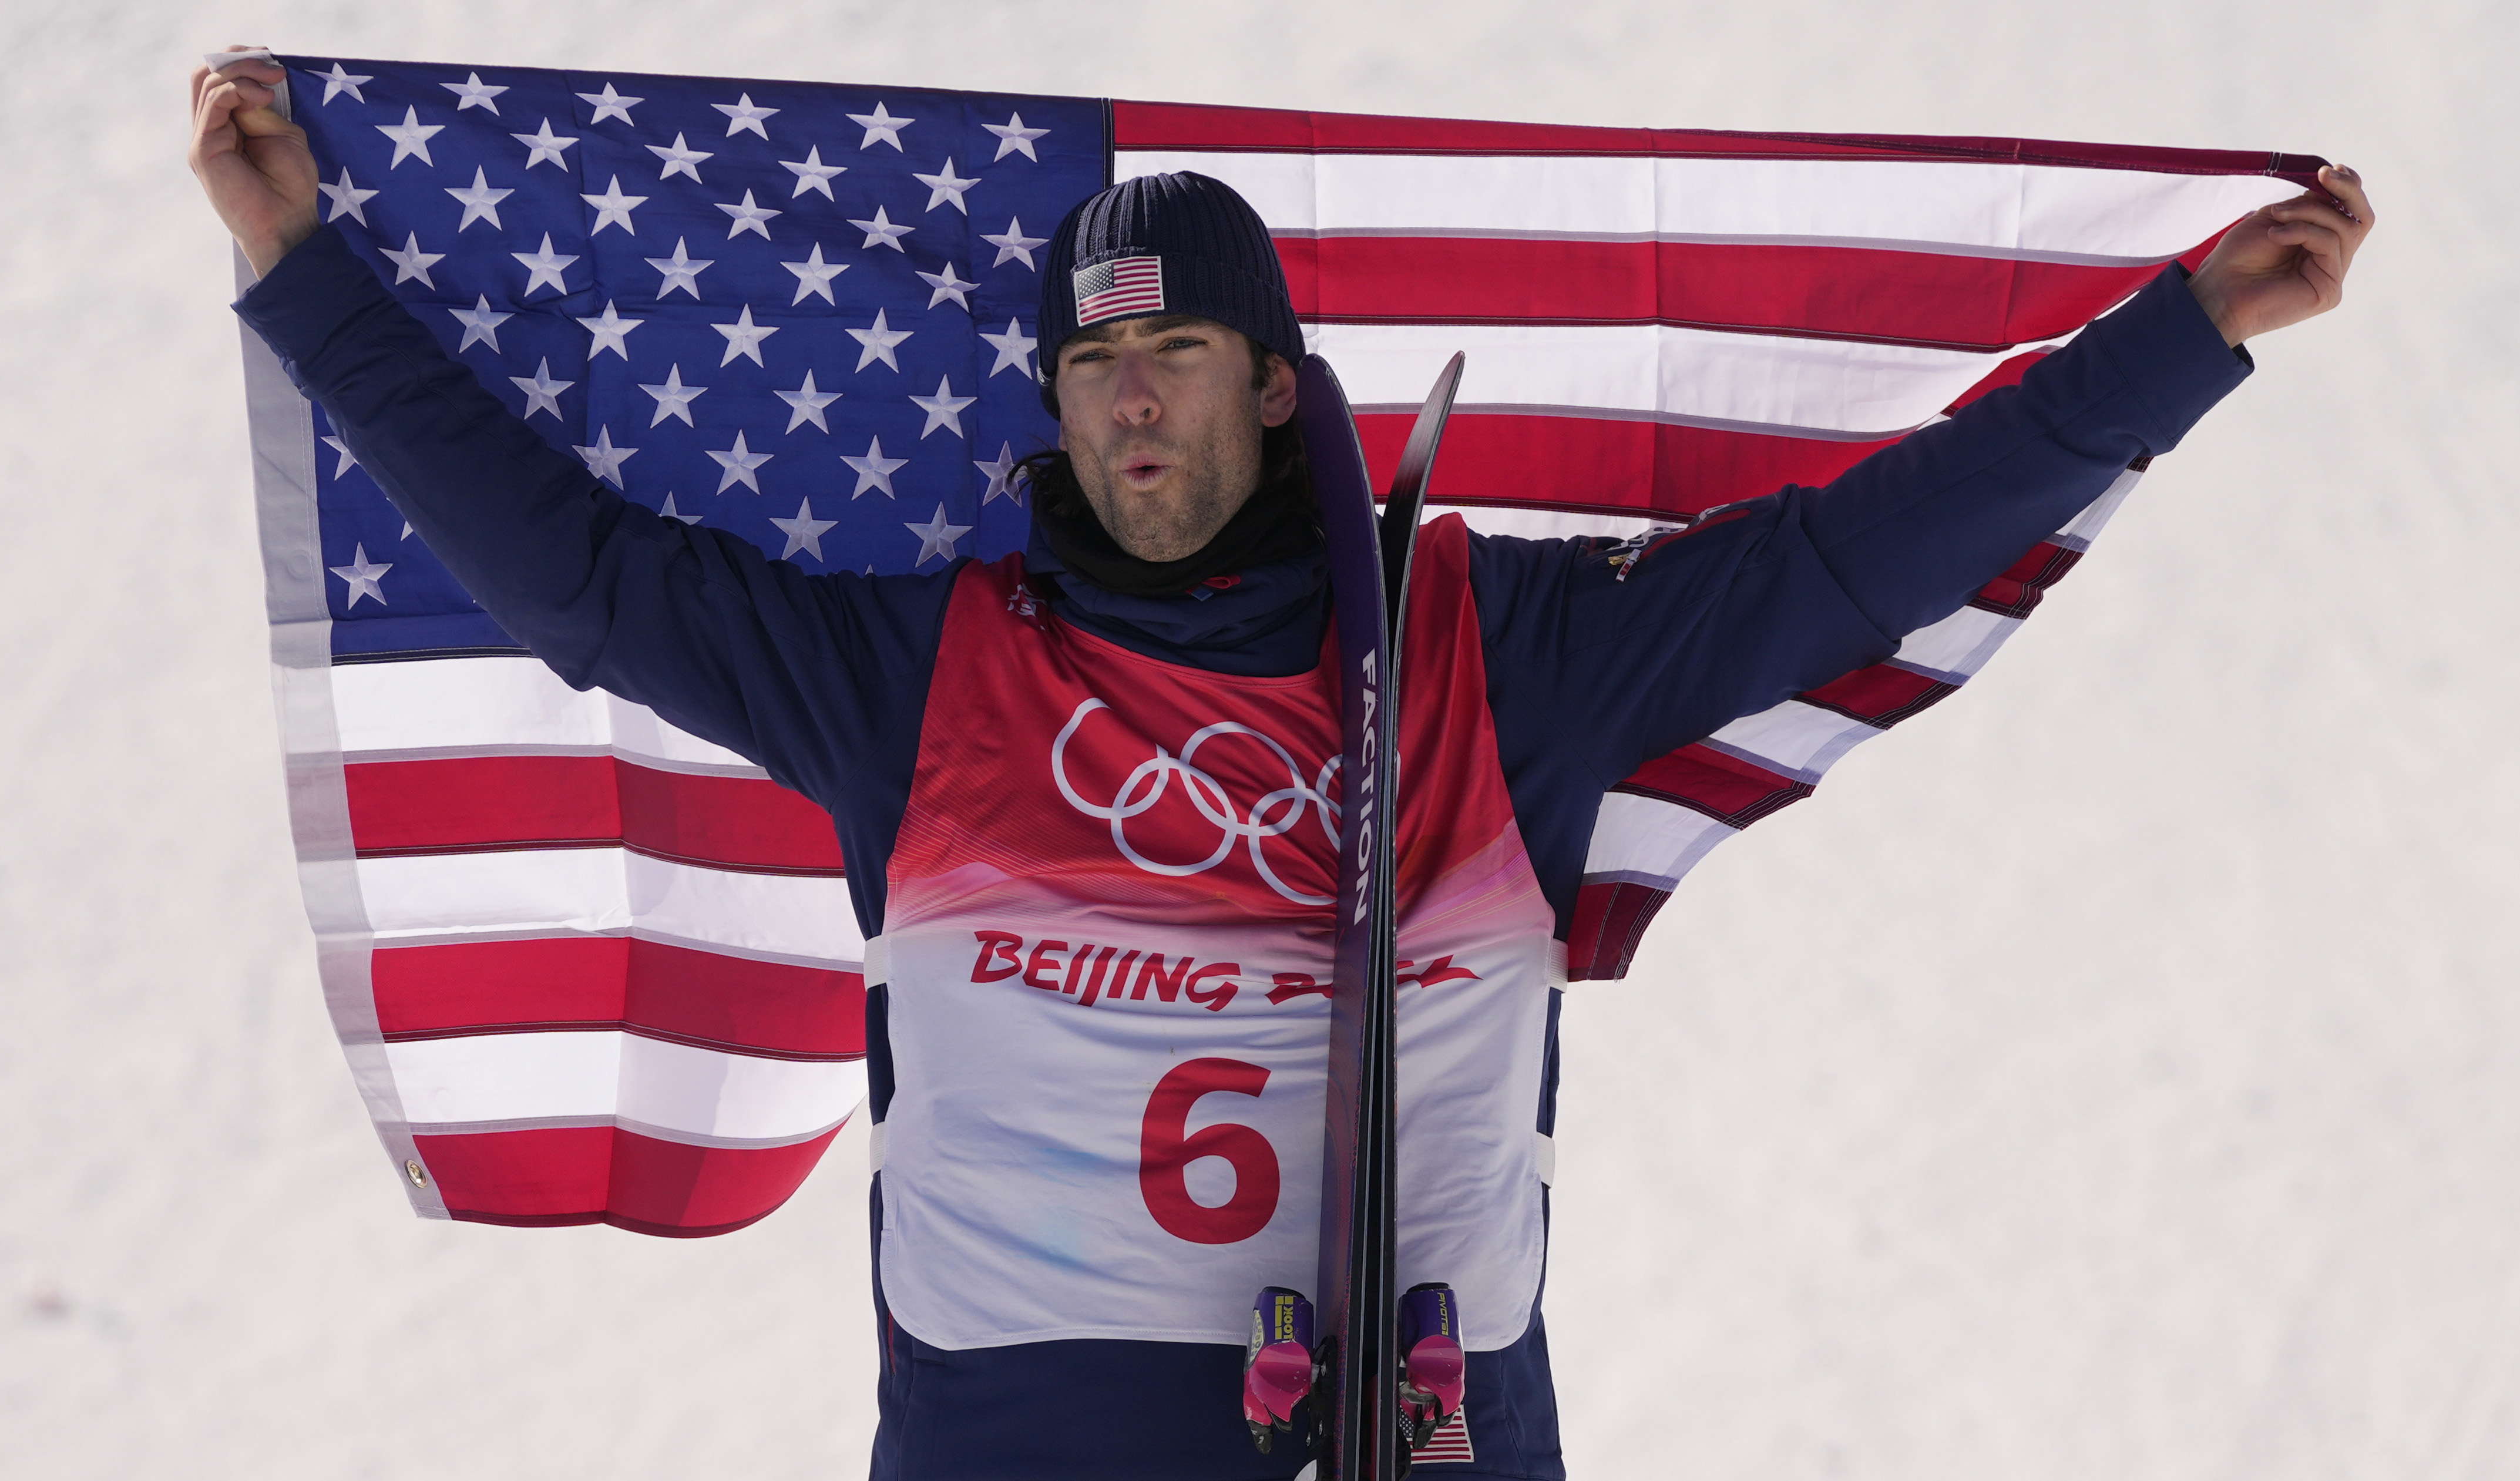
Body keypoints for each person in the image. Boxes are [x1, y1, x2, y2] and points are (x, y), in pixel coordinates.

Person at [191, 51, 2373, 1481]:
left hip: (1407, 1427)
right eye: (1095, 363)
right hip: (1014, 1433)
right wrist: (305, 280)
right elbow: (585, 578)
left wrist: (2178, 336)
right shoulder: (917, 674)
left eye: (1177, 352)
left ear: (1271, 378)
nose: (1133, 402)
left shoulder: (1488, 651)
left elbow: (1835, 570)